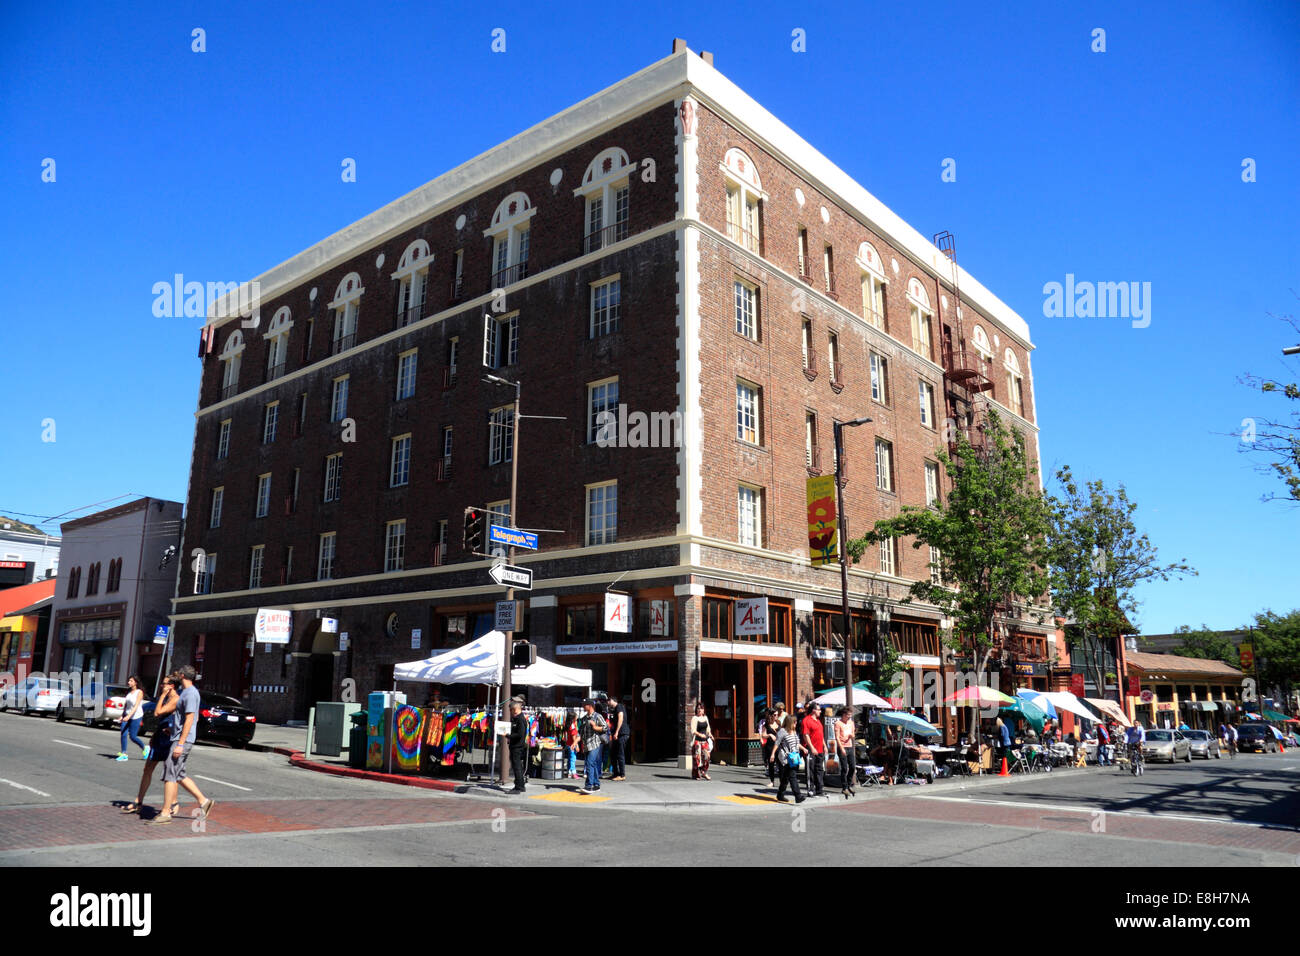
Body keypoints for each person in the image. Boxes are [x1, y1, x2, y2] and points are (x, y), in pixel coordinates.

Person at [147, 666, 213, 825]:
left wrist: (180, 743)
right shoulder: (187, 692)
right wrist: (174, 729)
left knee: (170, 774)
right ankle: (204, 801)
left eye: (178, 673)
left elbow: (191, 719)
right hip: (178, 736)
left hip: (181, 741)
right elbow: (192, 718)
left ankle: (165, 812)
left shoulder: (190, 694)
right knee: (179, 774)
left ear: (183, 675)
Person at [121, 672, 180, 815]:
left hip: (170, 739)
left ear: (171, 686)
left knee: (171, 773)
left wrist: (162, 697)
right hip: (160, 736)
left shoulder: (175, 699)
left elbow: (157, 713)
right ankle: (138, 801)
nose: (162, 686)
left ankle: (174, 803)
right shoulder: (166, 698)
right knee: (147, 768)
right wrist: (154, 736)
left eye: (164, 684)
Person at [771, 714, 807, 804]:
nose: (796, 723)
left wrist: (804, 749)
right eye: (794, 722)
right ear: (790, 722)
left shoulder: (794, 731)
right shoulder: (782, 731)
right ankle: (798, 796)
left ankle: (780, 794)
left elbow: (797, 744)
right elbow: (777, 743)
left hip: (795, 757)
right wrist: (772, 754)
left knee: (785, 778)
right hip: (787, 758)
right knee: (792, 776)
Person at [577, 699, 607, 795]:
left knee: (589, 764)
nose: (582, 706)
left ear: (589, 706)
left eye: (584, 705)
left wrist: (595, 727)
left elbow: (606, 727)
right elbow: (580, 733)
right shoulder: (584, 718)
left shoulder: (598, 716)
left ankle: (589, 786)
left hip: (595, 744)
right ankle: (596, 784)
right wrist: (575, 743)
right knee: (592, 764)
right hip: (586, 745)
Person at [115, 676, 147, 761]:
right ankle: (124, 753)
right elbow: (126, 705)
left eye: (131, 681)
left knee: (133, 737)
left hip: (136, 716)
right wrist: (123, 715)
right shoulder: (129, 692)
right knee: (123, 733)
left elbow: (136, 706)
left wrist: (129, 716)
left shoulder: (139, 692)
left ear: (135, 682)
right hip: (127, 715)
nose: (128, 682)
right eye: (129, 680)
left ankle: (145, 748)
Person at [800, 701, 826, 796]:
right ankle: (811, 789)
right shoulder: (806, 720)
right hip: (811, 749)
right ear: (813, 710)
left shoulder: (818, 721)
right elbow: (805, 735)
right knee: (810, 770)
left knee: (819, 769)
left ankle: (819, 789)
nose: (820, 711)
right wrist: (812, 748)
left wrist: (825, 746)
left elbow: (820, 735)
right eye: (819, 710)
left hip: (820, 749)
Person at [506, 698, 529, 793]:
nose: (510, 712)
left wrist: (508, 735)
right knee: (517, 766)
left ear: (515, 709)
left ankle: (519, 787)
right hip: (515, 746)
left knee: (517, 767)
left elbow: (520, 734)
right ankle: (520, 785)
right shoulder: (518, 719)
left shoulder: (520, 719)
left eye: (511, 710)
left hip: (517, 746)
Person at [833, 707, 856, 797]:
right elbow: (837, 737)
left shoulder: (851, 723)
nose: (849, 717)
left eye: (850, 715)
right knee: (844, 768)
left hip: (849, 746)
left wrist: (851, 735)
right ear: (843, 715)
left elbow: (853, 734)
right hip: (842, 746)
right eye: (848, 715)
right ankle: (844, 787)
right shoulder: (838, 723)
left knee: (853, 766)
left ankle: (849, 784)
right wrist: (841, 748)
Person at [607, 696, 629, 781]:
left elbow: (621, 718)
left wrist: (616, 732)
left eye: (608, 701)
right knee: (613, 754)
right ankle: (615, 773)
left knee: (620, 754)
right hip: (617, 734)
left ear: (612, 700)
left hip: (622, 733)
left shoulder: (619, 706)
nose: (608, 703)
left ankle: (622, 775)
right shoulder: (614, 709)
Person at [689, 702, 712, 780]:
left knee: (707, 757)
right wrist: (700, 735)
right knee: (697, 759)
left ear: (703, 710)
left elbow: (708, 728)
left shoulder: (705, 718)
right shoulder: (694, 718)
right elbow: (693, 731)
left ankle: (703, 772)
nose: (699, 710)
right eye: (698, 708)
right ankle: (696, 774)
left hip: (704, 741)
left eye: (701, 708)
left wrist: (710, 734)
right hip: (697, 741)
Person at [758, 709, 780, 787]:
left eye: (777, 715)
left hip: (779, 746)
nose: (776, 716)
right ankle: (772, 781)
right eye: (775, 715)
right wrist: (770, 735)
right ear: (771, 716)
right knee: (771, 764)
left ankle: (782, 781)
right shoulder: (766, 724)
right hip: (770, 746)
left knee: (781, 764)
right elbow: (763, 735)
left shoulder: (778, 723)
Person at [563, 710, 580, 778]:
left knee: (570, 758)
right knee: (573, 759)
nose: (577, 718)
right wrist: (577, 745)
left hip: (568, 744)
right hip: (572, 745)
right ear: (573, 718)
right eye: (576, 717)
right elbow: (574, 738)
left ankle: (569, 772)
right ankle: (573, 773)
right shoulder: (572, 726)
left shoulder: (568, 724)